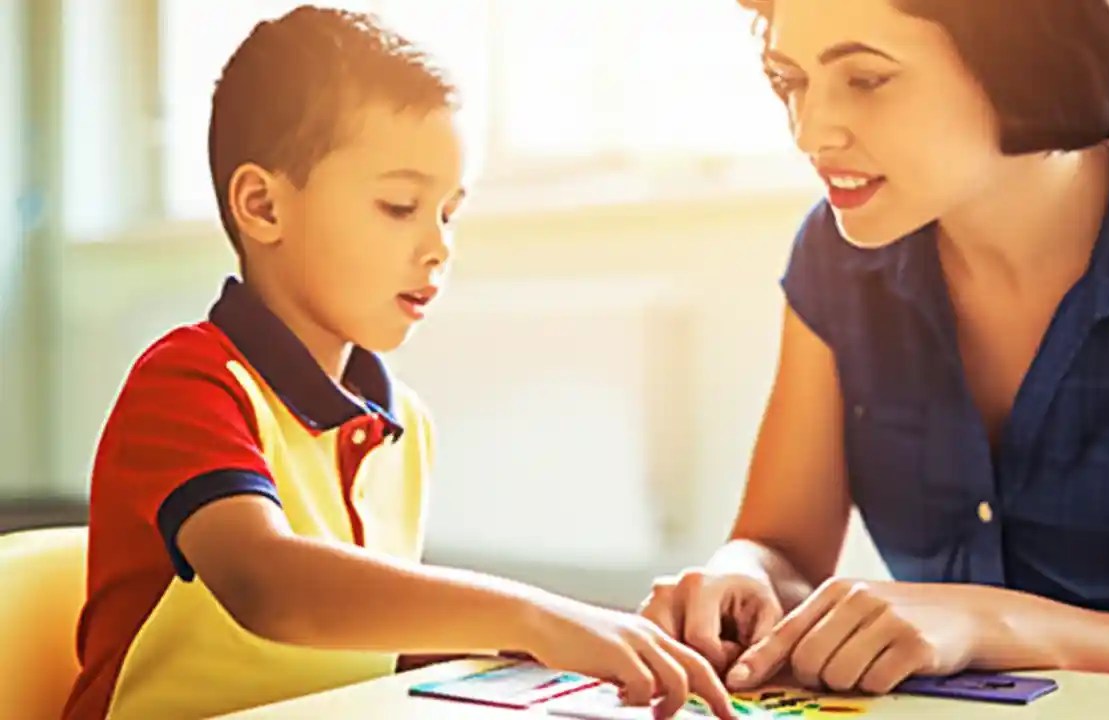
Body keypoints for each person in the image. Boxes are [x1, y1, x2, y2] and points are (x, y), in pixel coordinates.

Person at [62, 7, 734, 720]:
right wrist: (533, 615)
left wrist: (597, 637)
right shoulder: (189, 383)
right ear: (262, 206)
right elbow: (267, 584)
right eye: (400, 205)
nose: (439, 247)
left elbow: (372, 639)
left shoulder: (402, 423)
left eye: (449, 212)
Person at [639, 1, 1109, 716]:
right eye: (790, 82)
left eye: (867, 80)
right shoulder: (837, 256)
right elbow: (782, 551)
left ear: (1026, 60)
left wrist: (987, 623)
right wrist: (741, 577)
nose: (809, 130)